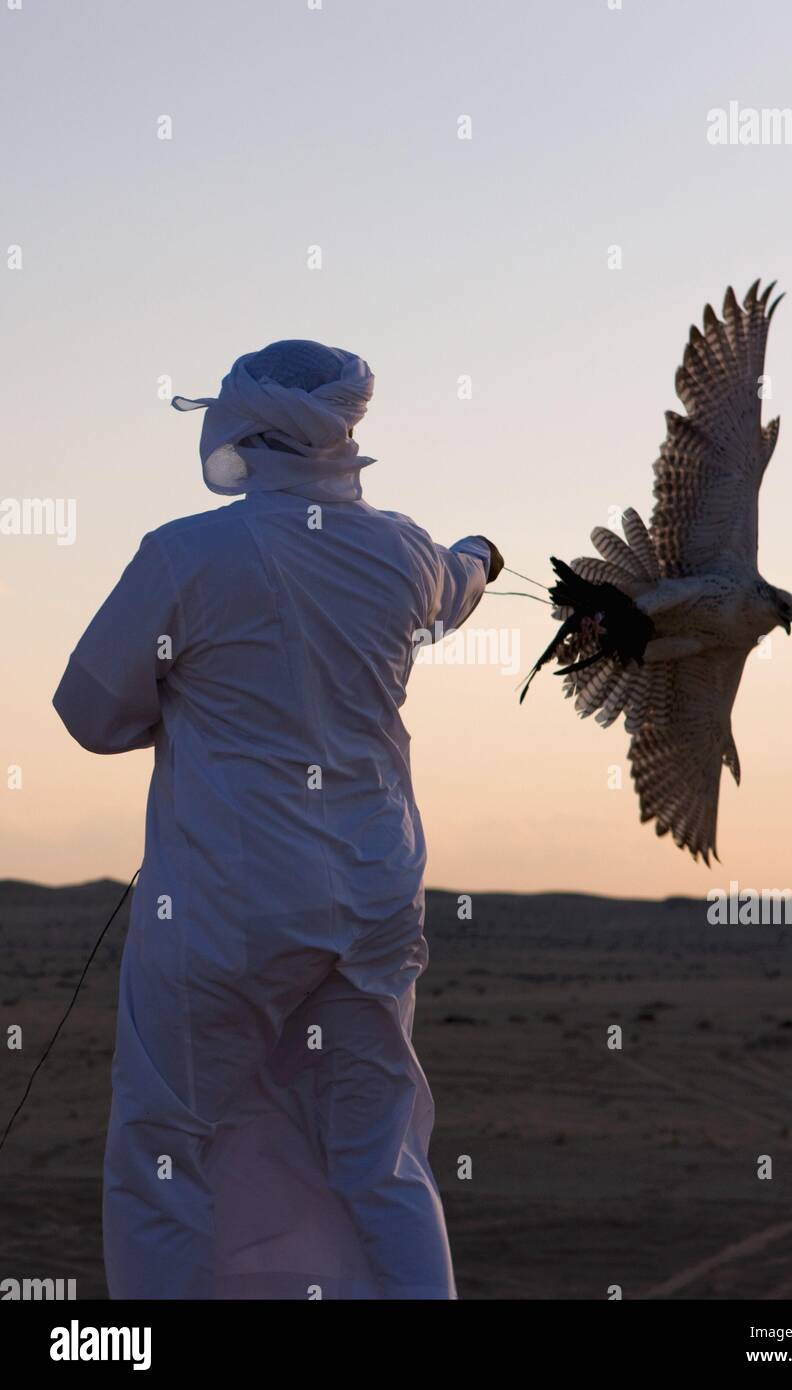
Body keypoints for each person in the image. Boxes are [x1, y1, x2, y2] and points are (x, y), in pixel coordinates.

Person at [52, 339, 503, 1300]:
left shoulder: (186, 554)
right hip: (375, 907)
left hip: (222, 911)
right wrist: (483, 556)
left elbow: (89, 712)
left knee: (165, 1151)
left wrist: (184, 709)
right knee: (380, 1159)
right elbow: (457, 585)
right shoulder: (404, 555)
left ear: (239, 426)